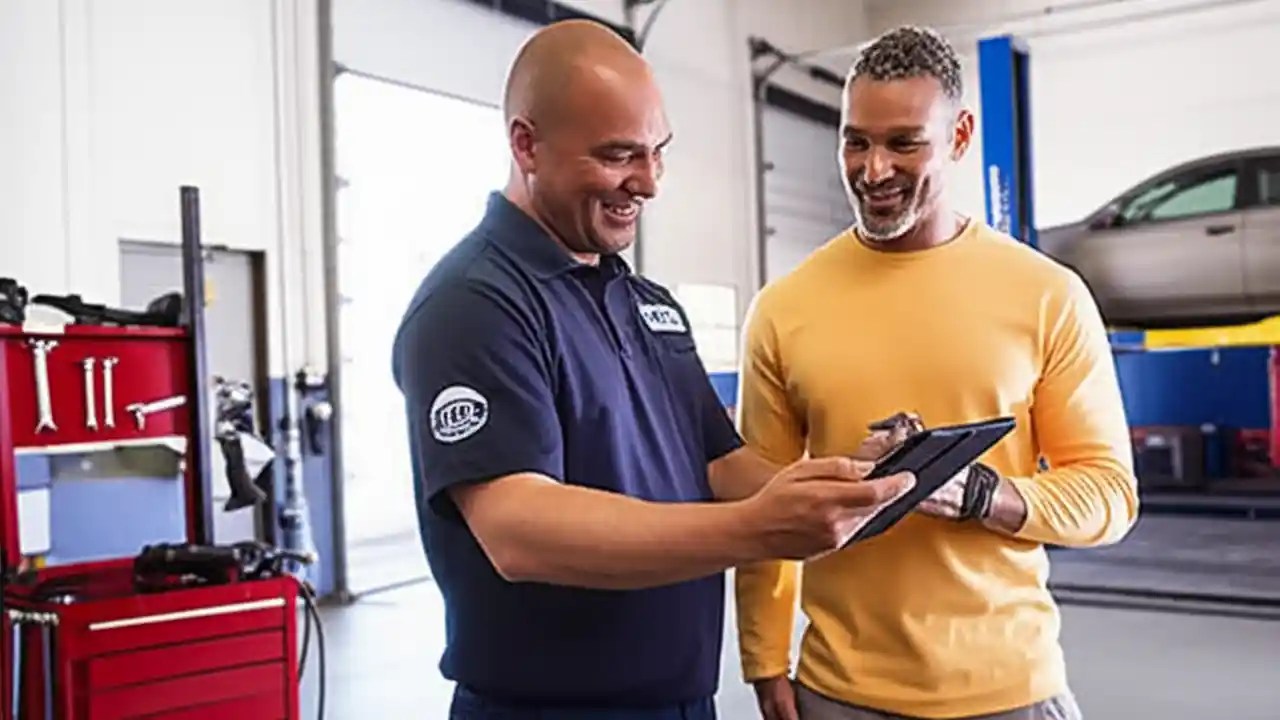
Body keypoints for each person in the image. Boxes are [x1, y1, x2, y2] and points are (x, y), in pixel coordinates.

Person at [390, 19, 916, 720]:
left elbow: (718, 462)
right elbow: (519, 527)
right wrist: (761, 530)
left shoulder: (645, 302)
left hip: (682, 700)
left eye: (656, 152)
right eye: (617, 156)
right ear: (526, 145)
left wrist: (845, 482)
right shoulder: (474, 304)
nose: (648, 183)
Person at [734, 25, 1140, 720]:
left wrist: (979, 493)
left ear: (958, 138)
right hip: (839, 692)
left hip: (1013, 689)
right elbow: (766, 504)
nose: (873, 169)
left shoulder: (1046, 295)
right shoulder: (784, 308)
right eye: (855, 141)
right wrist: (766, 662)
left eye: (903, 143)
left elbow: (1108, 494)